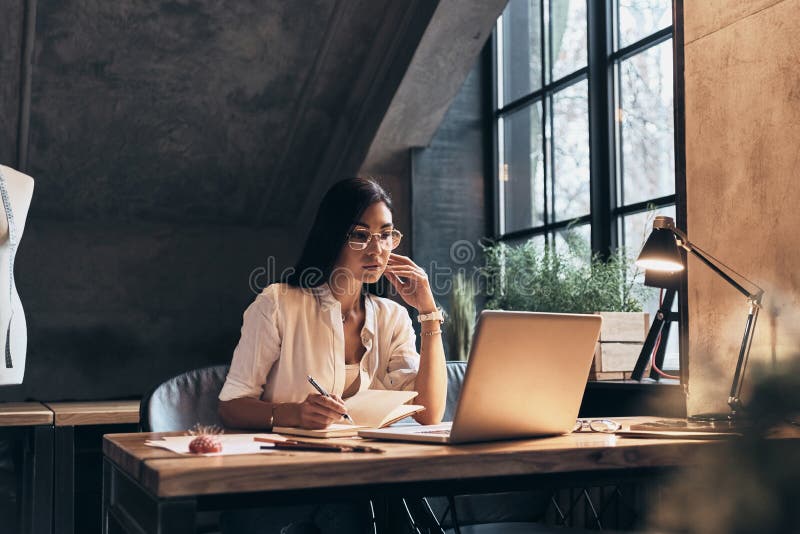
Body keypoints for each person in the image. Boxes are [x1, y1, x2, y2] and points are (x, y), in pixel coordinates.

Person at [217, 177, 447, 533]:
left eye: (385, 235)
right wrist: (294, 414)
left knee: (397, 507)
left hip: (364, 481)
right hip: (283, 483)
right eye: (360, 235)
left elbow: (430, 412)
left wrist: (429, 313)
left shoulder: (392, 316)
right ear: (332, 237)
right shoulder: (278, 303)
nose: (376, 250)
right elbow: (231, 405)